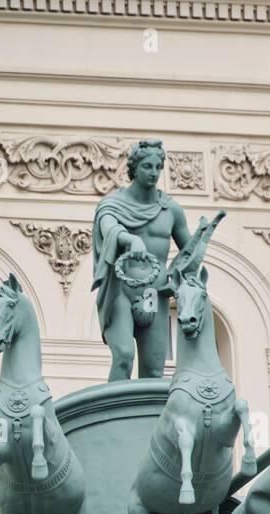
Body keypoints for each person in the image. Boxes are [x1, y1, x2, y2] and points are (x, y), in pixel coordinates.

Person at [91, 139, 193, 380]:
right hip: (121, 291)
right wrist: (129, 239)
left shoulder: (171, 210)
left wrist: (177, 276)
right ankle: (115, 404)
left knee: (153, 370)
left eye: (158, 167)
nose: (154, 172)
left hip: (154, 295)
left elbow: (189, 251)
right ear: (134, 169)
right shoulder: (113, 204)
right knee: (124, 356)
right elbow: (108, 226)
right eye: (147, 166)